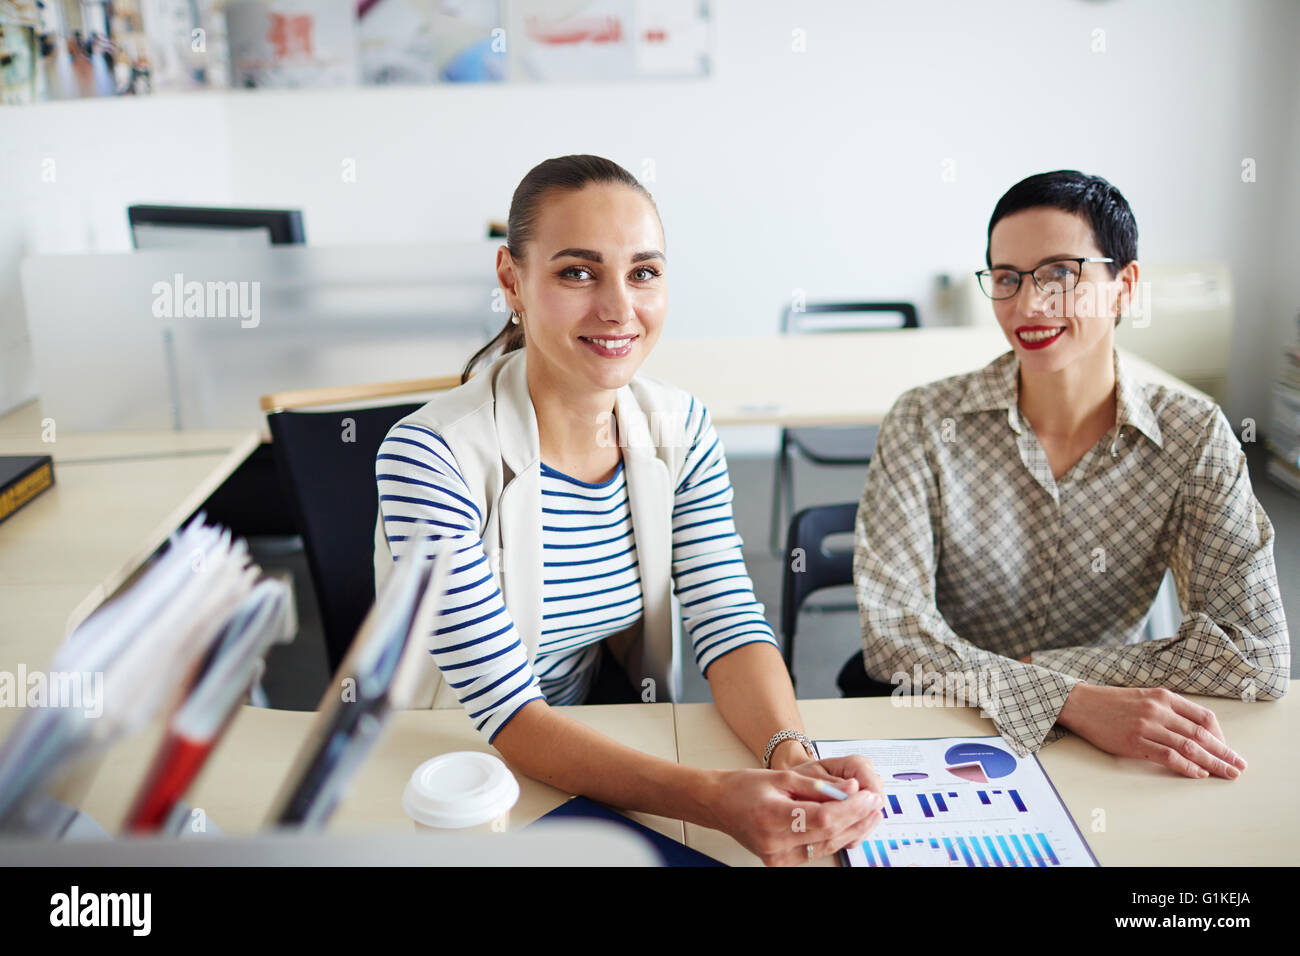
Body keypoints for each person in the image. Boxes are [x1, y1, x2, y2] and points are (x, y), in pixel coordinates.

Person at [374, 154, 885, 864]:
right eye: (577, 272)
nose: (618, 308)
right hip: (456, 775)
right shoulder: (430, 456)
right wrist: (713, 799)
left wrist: (788, 756)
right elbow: (509, 714)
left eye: (643, 272)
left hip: (601, 741)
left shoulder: (682, 426)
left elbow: (728, 619)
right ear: (511, 280)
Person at [851, 169, 1289, 777]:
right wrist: (1069, 696)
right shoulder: (923, 421)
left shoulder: (1193, 435)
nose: (1029, 305)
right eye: (1007, 279)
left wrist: (1038, 672)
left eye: (1060, 273)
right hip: (945, 720)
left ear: (1125, 286)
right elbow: (896, 636)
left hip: (1105, 737)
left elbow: (1253, 655)